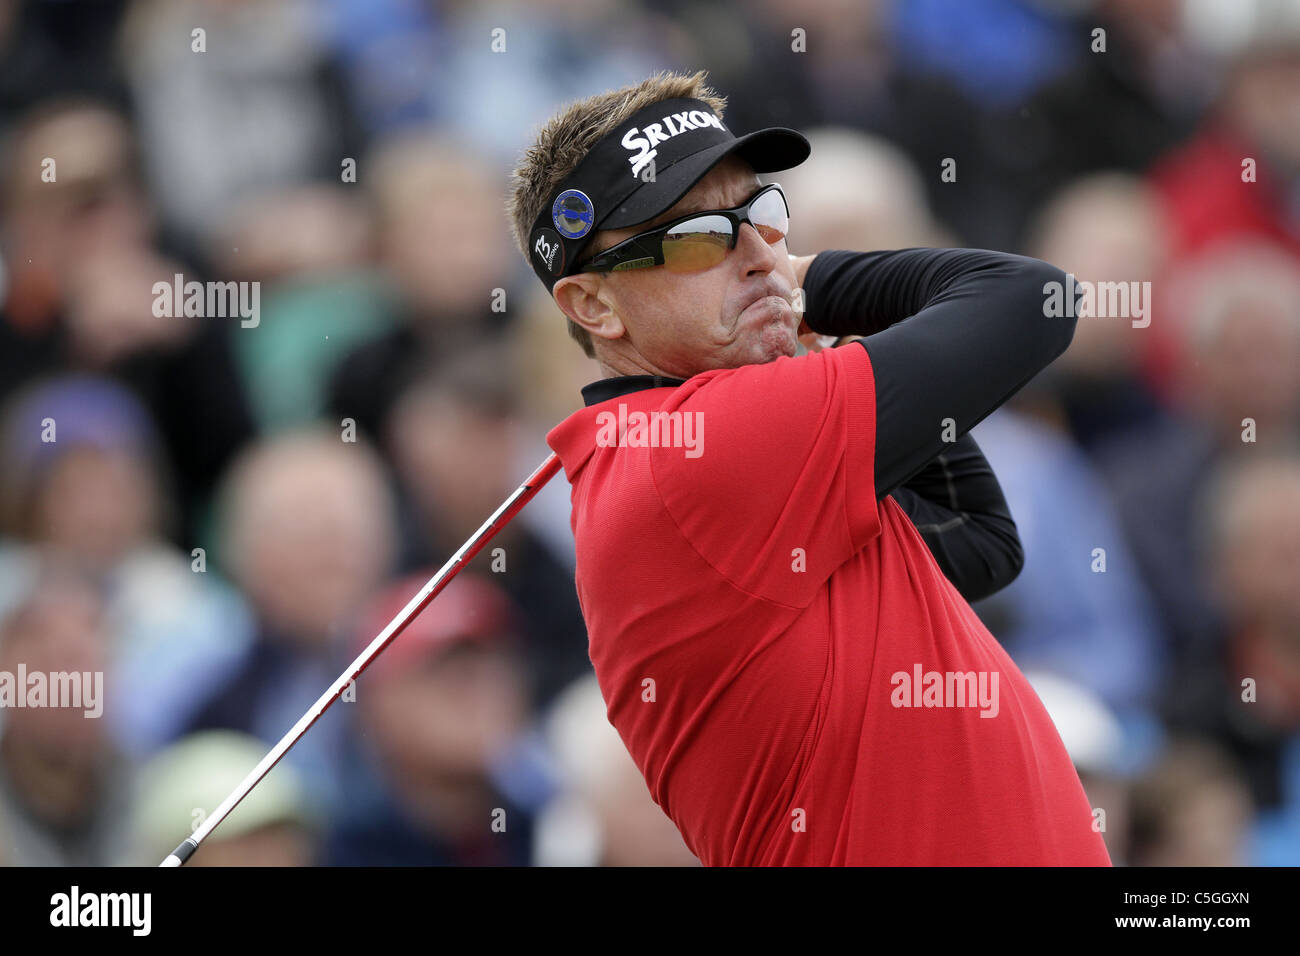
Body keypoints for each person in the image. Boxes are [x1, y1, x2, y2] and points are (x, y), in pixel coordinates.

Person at [504, 69, 1107, 865]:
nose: (756, 253)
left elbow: (978, 541)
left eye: (761, 214)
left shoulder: (735, 457)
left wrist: (820, 336)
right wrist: (815, 284)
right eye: (696, 238)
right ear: (594, 307)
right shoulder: (698, 447)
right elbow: (1032, 297)